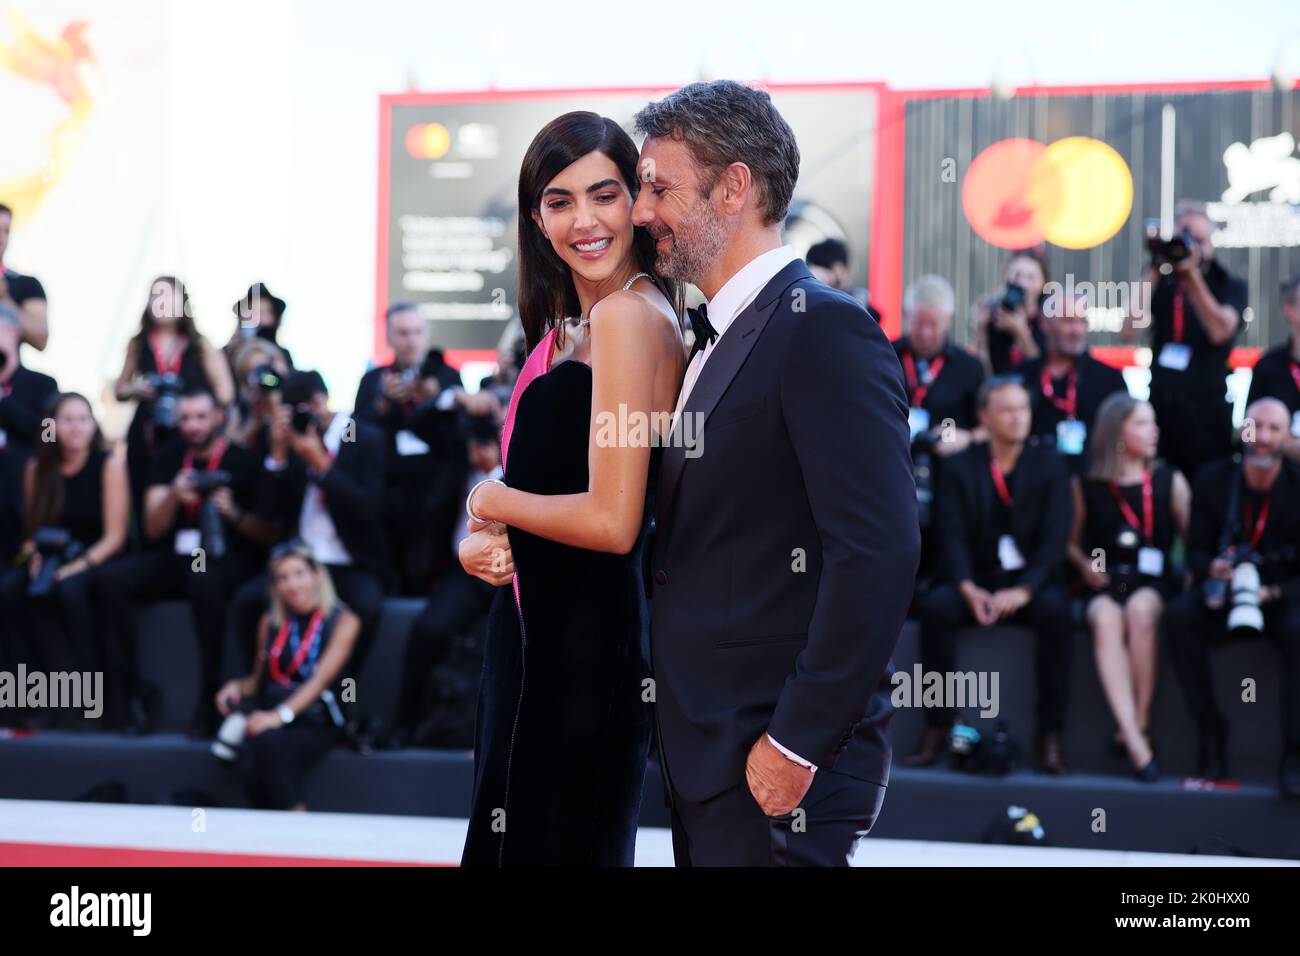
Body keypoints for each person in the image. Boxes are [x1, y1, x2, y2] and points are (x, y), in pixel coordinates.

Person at [631, 80, 918, 867]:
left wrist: (797, 741)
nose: (639, 210)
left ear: (734, 187)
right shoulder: (707, 340)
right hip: (709, 757)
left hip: (777, 764)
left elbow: (879, 554)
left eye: (659, 186)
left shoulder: (825, 330)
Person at [456, 111, 683, 866]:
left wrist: (488, 500)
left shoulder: (628, 317)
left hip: (585, 657)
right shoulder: (565, 328)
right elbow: (546, 493)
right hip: (531, 645)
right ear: (536, 216)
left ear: (638, 203)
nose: (584, 220)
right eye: (560, 201)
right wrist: (485, 543)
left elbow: (614, 522)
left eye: (605, 195)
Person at [908, 378, 1073, 773]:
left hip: (1030, 583)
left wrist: (1025, 591)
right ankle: (938, 727)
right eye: (1007, 410)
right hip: (975, 578)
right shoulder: (960, 465)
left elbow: (1056, 537)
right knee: (936, 609)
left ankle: (1050, 734)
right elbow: (951, 534)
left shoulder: (1050, 464)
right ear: (984, 417)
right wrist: (967, 588)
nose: (1018, 418)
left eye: (1023, 408)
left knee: (1058, 614)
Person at [94, 387, 273, 736]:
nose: (193, 426)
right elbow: (151, 526)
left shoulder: (242, 460)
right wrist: (174, 496)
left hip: (225, 557)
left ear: (219, 417)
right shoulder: (168, 456)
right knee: (110, 581)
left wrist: (232, 512)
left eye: (201, 417)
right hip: (176, 554)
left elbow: (267, 533)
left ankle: (210, 699)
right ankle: (127, 695)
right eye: (185, 418)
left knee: (203, 575)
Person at [1163, 398, 1300, 797]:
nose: (1264, 437)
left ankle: (1293, 752)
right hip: (1226, 594)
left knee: (1299, 631)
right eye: (1257, 426)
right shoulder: (1214, 480)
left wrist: (1272, 590)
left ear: (1286, 436)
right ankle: (1210, 730)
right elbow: (1196, 551)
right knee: (1178, 617)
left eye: (1274, 428)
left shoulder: (1296, 486)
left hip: (1277, 595)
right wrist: (1215, 569)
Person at [231, 370, 388, 677]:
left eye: (307, 409)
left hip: (351, 562)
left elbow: (367, 508)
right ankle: (263, 687)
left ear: (320, 401)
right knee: (246, 603)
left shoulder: (366, 437)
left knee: (368, 607)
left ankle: (339, 695)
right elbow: (268, 511)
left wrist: (321, 465)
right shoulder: (288, 442)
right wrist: (277, 456)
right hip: (299, 559)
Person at [1067, 394, 1190, 781]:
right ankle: (1137, 740)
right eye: (1141, 423)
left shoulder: (1170, 480)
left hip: (1152, 581)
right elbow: (1070, 541)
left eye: (1152, 422)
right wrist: (1085, 565)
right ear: (1117, 432)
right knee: (1105, 619)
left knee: (1139, 611)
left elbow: (1195, 542)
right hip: (1105, 580)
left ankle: (1135, 724)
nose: (1153, 431)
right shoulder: (1087, 483)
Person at [0, 393, 128, 728]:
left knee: (68, 593)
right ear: (52, 426)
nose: (76, 428)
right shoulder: (36, 469)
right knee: (11, 591)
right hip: (49, 556)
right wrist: (31, 558)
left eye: (83, 419)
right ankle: (21, 701)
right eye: (68, 420)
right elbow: (31, 531)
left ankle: (87, 703)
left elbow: (115, 537)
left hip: (91, 556)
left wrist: (75, 567)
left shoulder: (109, 464)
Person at [384, 416, 501, 750]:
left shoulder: (520, 472)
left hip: (510, 576)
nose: (477, 451)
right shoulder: (457, 467)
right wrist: (455, 403)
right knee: (428, 631)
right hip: (463, 572)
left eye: (484, 444)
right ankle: (404, 721)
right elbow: (422, 423)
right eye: (474, 445)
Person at [215, 541, 358, 811]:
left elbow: (320, 681)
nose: (292, 584)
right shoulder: (271, 622)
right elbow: (259, 680)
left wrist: (277, 717)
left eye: (298, 574)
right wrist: (235, 688)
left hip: (319, 718)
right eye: (282, 578)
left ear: (317, 576)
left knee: (267, 740)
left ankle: (296, 817)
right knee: (259, 742)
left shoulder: (344, 620)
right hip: (278, 710)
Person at [353, 302, 484, 595]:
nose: (410, 340)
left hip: (437, 492)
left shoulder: (447, 376)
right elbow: (354, 434)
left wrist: (436, 401)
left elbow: (460, 436)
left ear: (426, 335)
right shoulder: (373, 381)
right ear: (388, 337)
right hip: (389, 490)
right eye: (402, 333)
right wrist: (383, 404)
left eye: (416, 332)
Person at [1126, 200, 1247, 481]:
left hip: (1208, 409)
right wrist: (1152, 272)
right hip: (1162, 407)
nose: (1192, 247)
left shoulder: (1228, 283)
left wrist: (1191, 275)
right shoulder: (1163, 281)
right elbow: (1130, 329)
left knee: (1208, 485)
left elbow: (1220, 332)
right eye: (1185, 238)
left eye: (1200, 240)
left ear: (1211, 242)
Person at [114, 277, 235, 521]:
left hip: (187, 435)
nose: (161, 304)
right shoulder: (139, 344)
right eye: (155, 297)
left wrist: (190, 403)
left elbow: (225, 392)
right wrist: (138, 389)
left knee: (184, 493)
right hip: (147, 435)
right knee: (144, 493)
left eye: (168, 297)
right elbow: (120, 390)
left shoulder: (199, 345)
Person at [892, 274, 985, 589]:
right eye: (919, 323)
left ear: (950, 319)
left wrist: (966, 438)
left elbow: (992, 428)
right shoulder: (884, 354)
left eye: (934, 324)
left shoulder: (969, 367)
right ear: (907, 315)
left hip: (949, 476)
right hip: (894, 471)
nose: (926, 333)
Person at [1012, 288, 1128, 472]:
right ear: (1045, 324)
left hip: (1092, 482)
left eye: (1082, 322)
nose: (1077, 330)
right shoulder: (1022, 376)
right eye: (1067, 321)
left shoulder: (1109, 379)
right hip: (1033, 481)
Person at [0, 312, 58, 565]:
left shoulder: (43, 385)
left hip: (24, 499)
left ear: (14, 333)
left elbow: (47, 435)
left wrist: (4, 402)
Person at [1245, 275, 1300, 462]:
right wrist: (1275, 445)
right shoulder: (1268, 366)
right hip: (1276, 472)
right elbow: (1247, 431)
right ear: (1289, 309)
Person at [973, 248, 1050, 375]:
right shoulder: (996, 317)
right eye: (1017, 275)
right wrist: (982, 330)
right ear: (1006, 277)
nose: (1022, 283)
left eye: (1031, 277)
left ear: (1044, 282)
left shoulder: (1048, 320)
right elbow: (982, 375)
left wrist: (1020, 331)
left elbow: (1043, 374)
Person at [227, 337, 292, 456]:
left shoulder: (301, 392)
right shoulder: (245, 414)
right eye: (256, 372)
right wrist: (256, 420)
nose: (266, 377)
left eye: (268, 365)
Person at [0, 203, 49, 351]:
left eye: (6, 231)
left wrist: (5, 300)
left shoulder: (26, 284)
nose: (1, 237)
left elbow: (41, 338)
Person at [225, 283, 294, 371]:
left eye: (265, 312)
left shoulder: (283, 355)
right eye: (253, 312)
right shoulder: (226, 353)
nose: (259, 319)